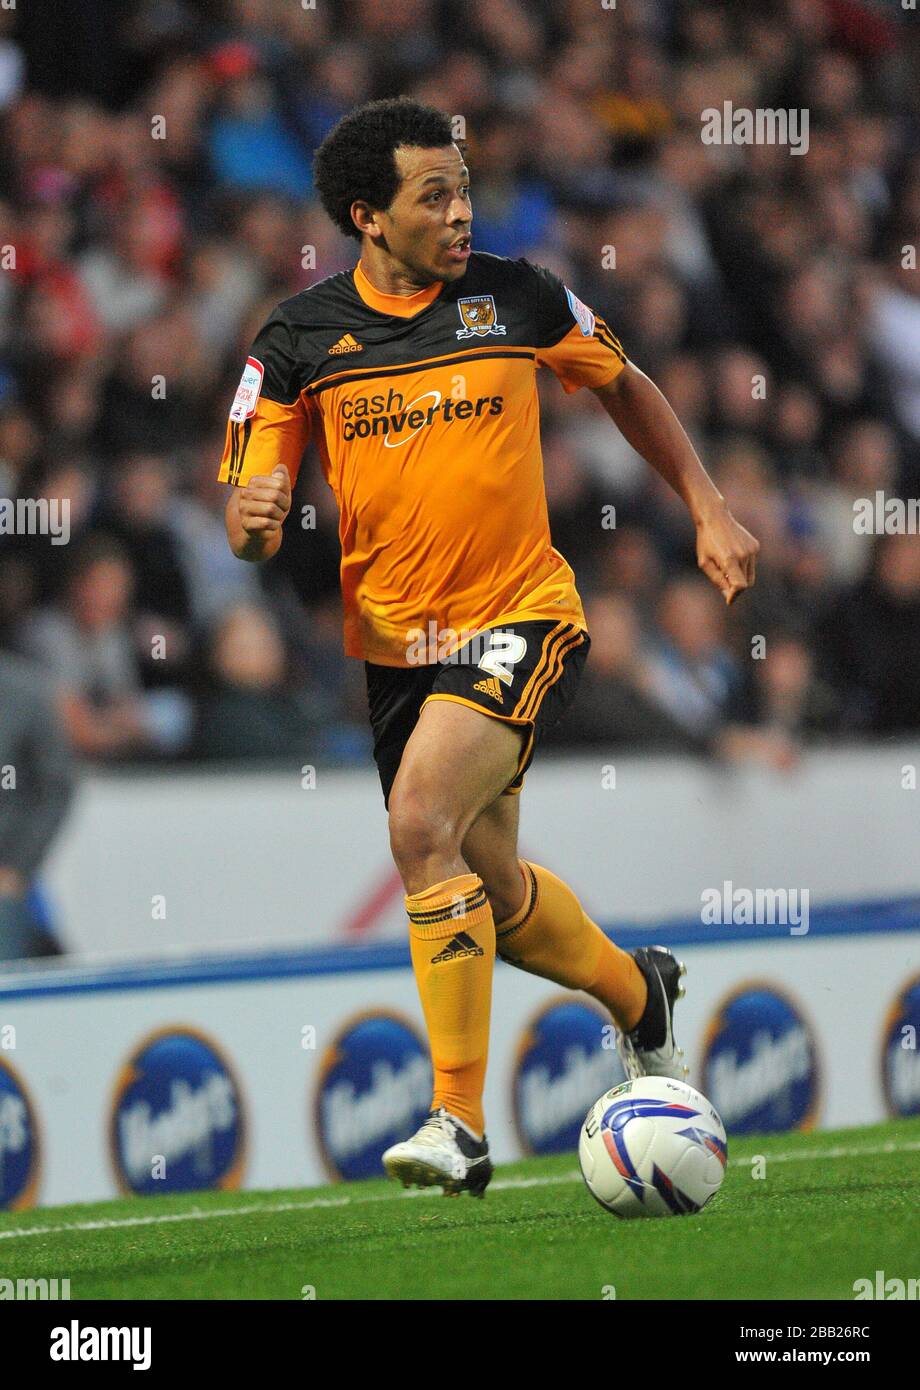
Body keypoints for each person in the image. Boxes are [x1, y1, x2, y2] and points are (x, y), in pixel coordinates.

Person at [218, 98, 759, 1197]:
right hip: (395, 651)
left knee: (421, 825)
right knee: (491, 890)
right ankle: (637, 992)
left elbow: (624, 382)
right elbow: (243, 516)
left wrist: (704, 501)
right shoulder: (295, 339)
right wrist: (256, 513)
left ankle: (457, 1123)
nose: (460, 211)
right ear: (368, 216)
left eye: (463, 188)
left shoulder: (516, 294)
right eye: (434, 196)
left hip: (521, 616)